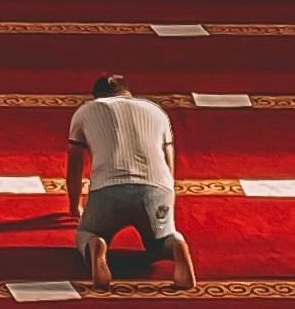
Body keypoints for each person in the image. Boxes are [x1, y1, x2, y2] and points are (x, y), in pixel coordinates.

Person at [66, 71, 197, 292]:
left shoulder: (85, 111)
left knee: (86, 234)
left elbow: (74, 171)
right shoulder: (156, 111)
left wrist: (74, 207)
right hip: (156, 190)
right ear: (128, 93)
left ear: (96, 97)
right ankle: (176, 245)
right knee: (159, 239)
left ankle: (96, 245)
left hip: (108, 190)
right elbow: (169, 166)